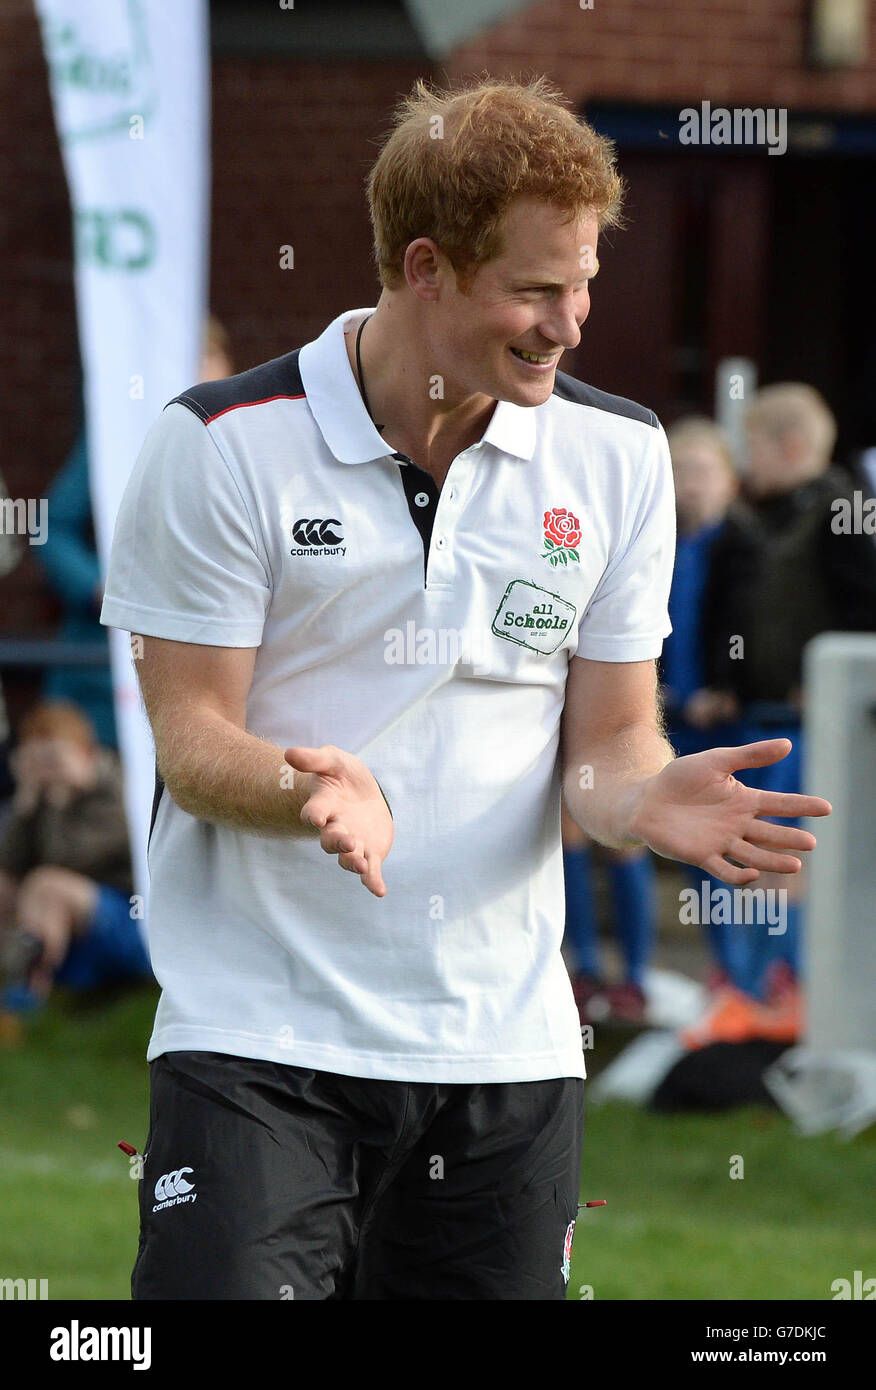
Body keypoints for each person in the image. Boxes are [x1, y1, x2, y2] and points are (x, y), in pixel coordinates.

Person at [100, 76, 830, 1301]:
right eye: (536, 290)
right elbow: (188, 735)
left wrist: (640, 798)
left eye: (584, 282)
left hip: (506, 1052)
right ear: (425, 267)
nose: (572, 322)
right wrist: (303, 787)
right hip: (259, 1042)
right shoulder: (221, 442)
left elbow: (606, 743)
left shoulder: (620, 455)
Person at [679, 385, 876, 1048]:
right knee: (740, 848)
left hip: (811, 726)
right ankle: (743, 985)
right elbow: (725, 611)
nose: (743, 461)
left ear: (791, 446)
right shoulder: (747, 522)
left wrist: (824, 677)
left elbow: (862, 606)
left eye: (753, 447)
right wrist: (722, 679)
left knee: (786, 855)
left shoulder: (847, 509)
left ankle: (785, 987)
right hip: (748, 720)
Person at [36, 318, 236, 751]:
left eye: (208, 357)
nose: (200, 371)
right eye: (190, 359)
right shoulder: (117, 438)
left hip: (211, 658)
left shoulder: (243, 440)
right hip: (104, 673)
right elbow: (50, 527)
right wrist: (100, 588)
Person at [0, 700, 149, 1027]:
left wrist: (55, 804)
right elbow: (10, 865)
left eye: (53, 758)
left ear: (87, 754)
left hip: (134, 920)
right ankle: (14, 989)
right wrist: (25, 803)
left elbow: (69, 859)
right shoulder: (45, 793)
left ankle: (23, 1002)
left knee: (47, 884)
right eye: (34, 760)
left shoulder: (121, 790)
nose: (45, 770)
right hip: (76, 916)